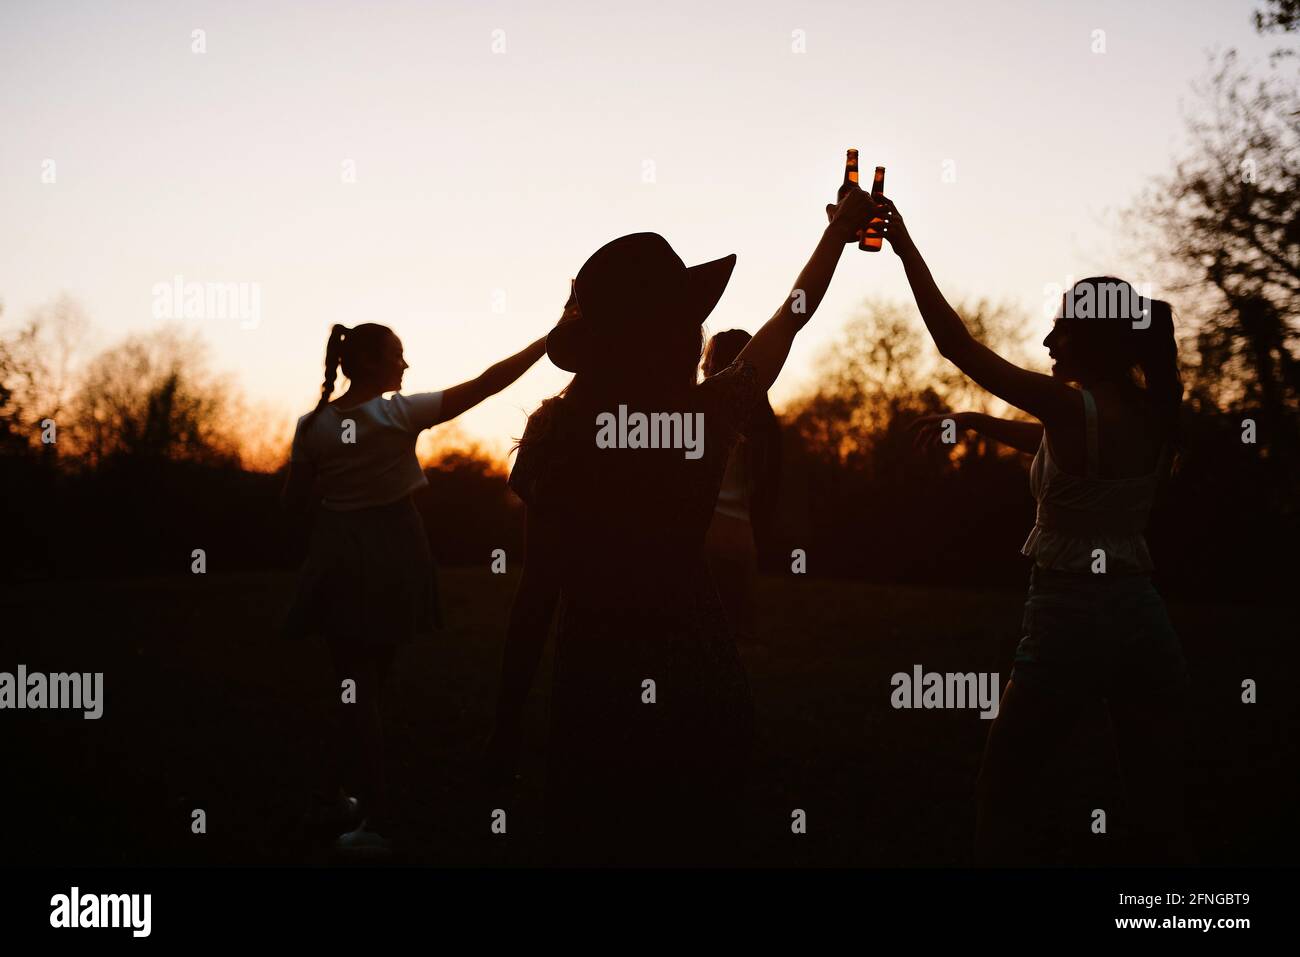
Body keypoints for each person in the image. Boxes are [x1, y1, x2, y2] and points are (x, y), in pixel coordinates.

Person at [488, 186, 880, 865]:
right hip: (701, 682)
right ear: (673, 333)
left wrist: (504, 731)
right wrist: (838, 235)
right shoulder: (706, 420)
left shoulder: (553, 434)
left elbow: (534, 597)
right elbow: (789, 319)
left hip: (596, 693)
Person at [884, 196, 1192, 865]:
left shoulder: (1069, 407)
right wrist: (974, 422)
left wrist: (906, 247)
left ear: (1093, 340)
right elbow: (1061, 449)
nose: (1049, 342)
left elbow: (955, 345)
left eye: (1061, 331)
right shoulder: (1150, 409)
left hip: (1069, 615)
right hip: (1142, 613)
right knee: (1154, 796)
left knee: (1002, 790)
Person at [281, 320, 547, 857]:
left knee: (356, 685)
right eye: (399, 356)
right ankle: (370, 816)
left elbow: (291, 504)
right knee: (366, 686)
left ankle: (342, 798)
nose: (406, 366)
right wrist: (550, 340)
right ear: (376, 364)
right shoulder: (397, 413)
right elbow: (490, 382)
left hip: (338, 552)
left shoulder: (312, 426)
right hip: (394, 550)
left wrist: (337, 509)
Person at [701, 329, 781, 646]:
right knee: (739, 639)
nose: (703, 367)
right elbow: (769, 491)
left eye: (708, 360)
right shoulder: (765, 425)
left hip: (705, 533)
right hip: (744, 540)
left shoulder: (703, 413)